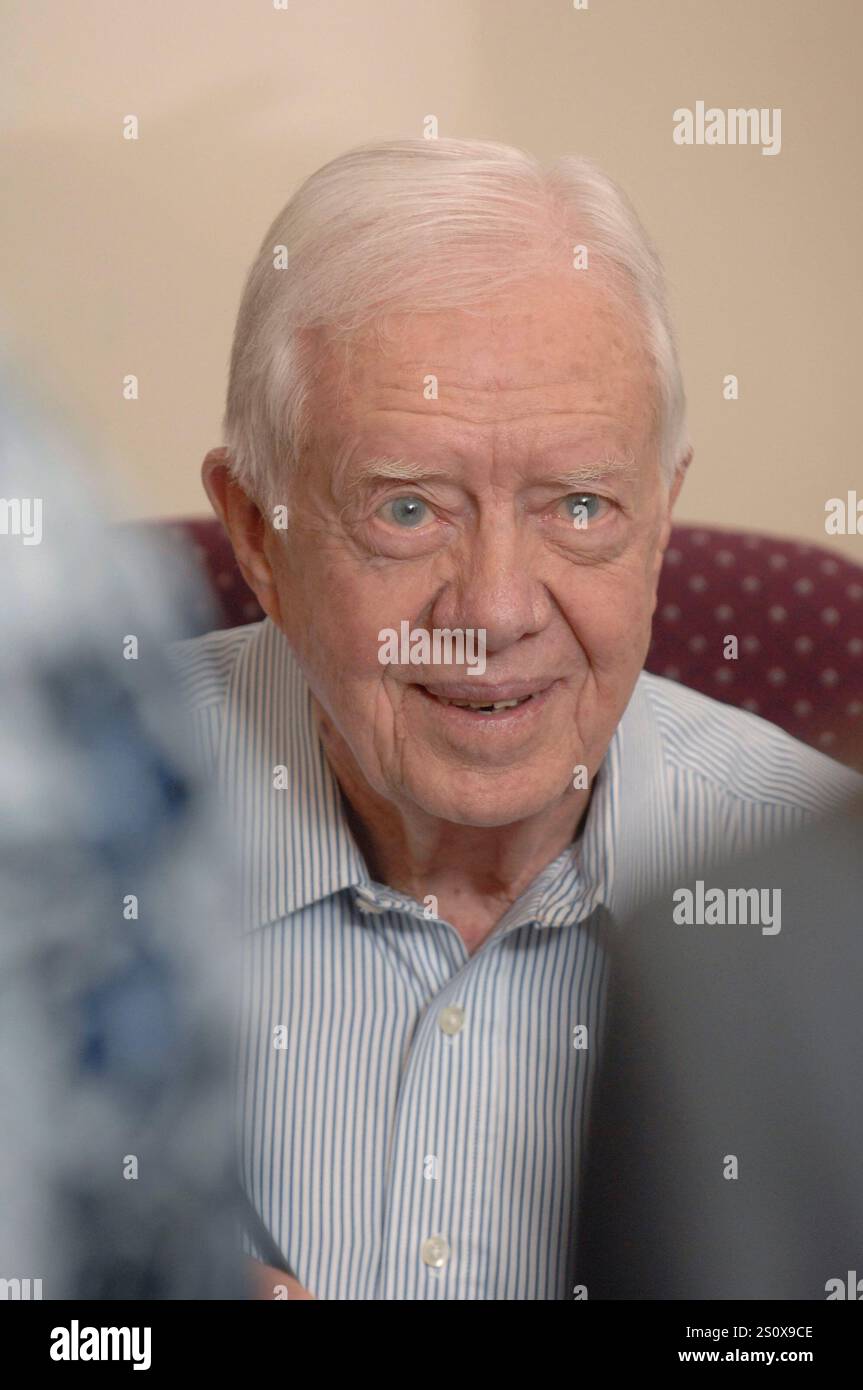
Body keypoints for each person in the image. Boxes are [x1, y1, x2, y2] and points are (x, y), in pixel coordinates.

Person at [170, 138, 862, 1299]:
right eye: (405, 508)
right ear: (256, 530)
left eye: (579, 505)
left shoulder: (833, 918)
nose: (492, 609)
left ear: (660, 521)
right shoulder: (56, 837)